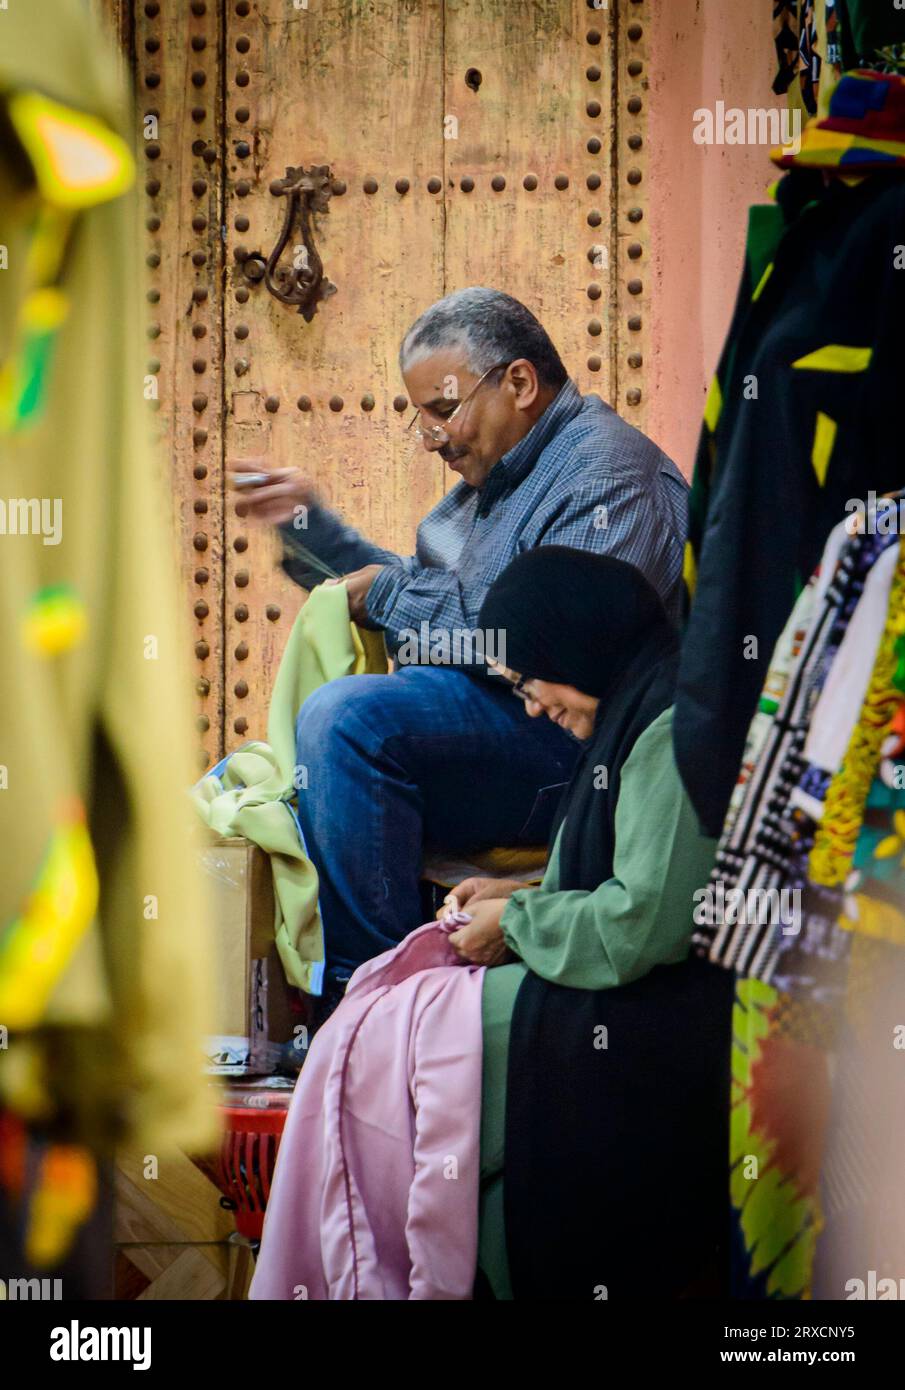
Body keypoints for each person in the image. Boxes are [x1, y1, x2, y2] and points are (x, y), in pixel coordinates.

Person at [236, 287, 688, 1000]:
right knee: (275, 773)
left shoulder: (608, 475)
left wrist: (382, 595)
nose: (432, 437)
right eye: (418, 418)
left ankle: (374, 997)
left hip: (580, 746)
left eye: (444, 410)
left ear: (519, 382)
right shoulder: (497, 481)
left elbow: (538, 647)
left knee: (348, 721)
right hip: (511, 731)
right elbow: (432, 598)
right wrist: (308, 532)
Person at [447, 548, 734, 1299]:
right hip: (638, 998)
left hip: (667, 1021)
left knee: (421, 1056)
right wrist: (520, 889)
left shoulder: (671, 728)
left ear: (570, 644)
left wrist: (517, 923)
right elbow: (628, 863)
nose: (532, 708)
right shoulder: (640, 704)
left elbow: (642, 922)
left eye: (528, 682)